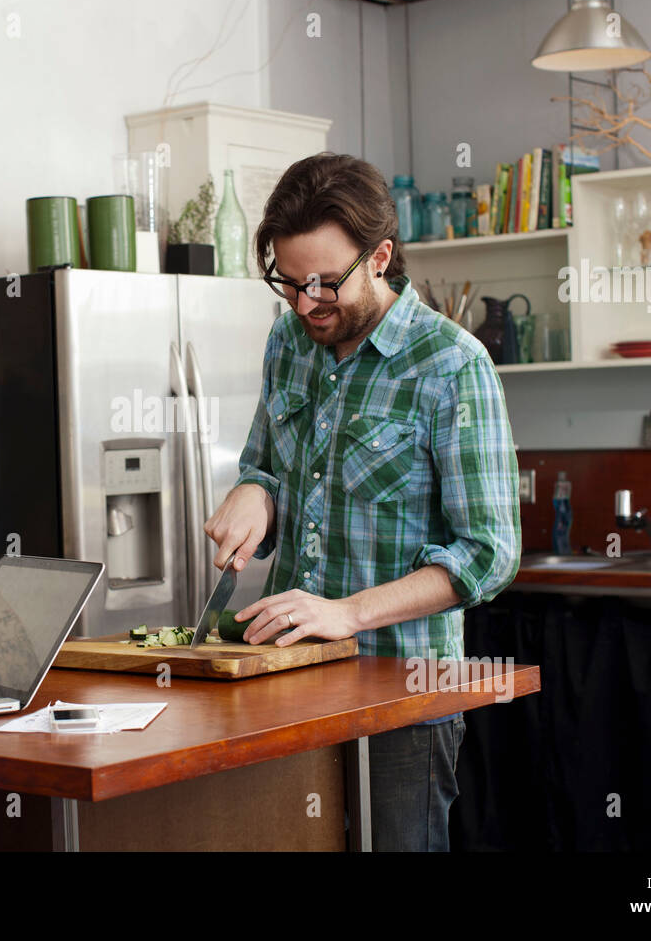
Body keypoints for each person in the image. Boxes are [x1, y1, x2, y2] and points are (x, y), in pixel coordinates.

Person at [204, 153, 520, 851]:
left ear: (379, 257)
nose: (304, 303)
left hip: (403, 692)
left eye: (322, 283)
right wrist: (255, 492)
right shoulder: (292, 340)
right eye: (287, 283)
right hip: (287, 682)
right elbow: (270, 465)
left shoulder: (451, 366)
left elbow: (489, 556)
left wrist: (345, 614)